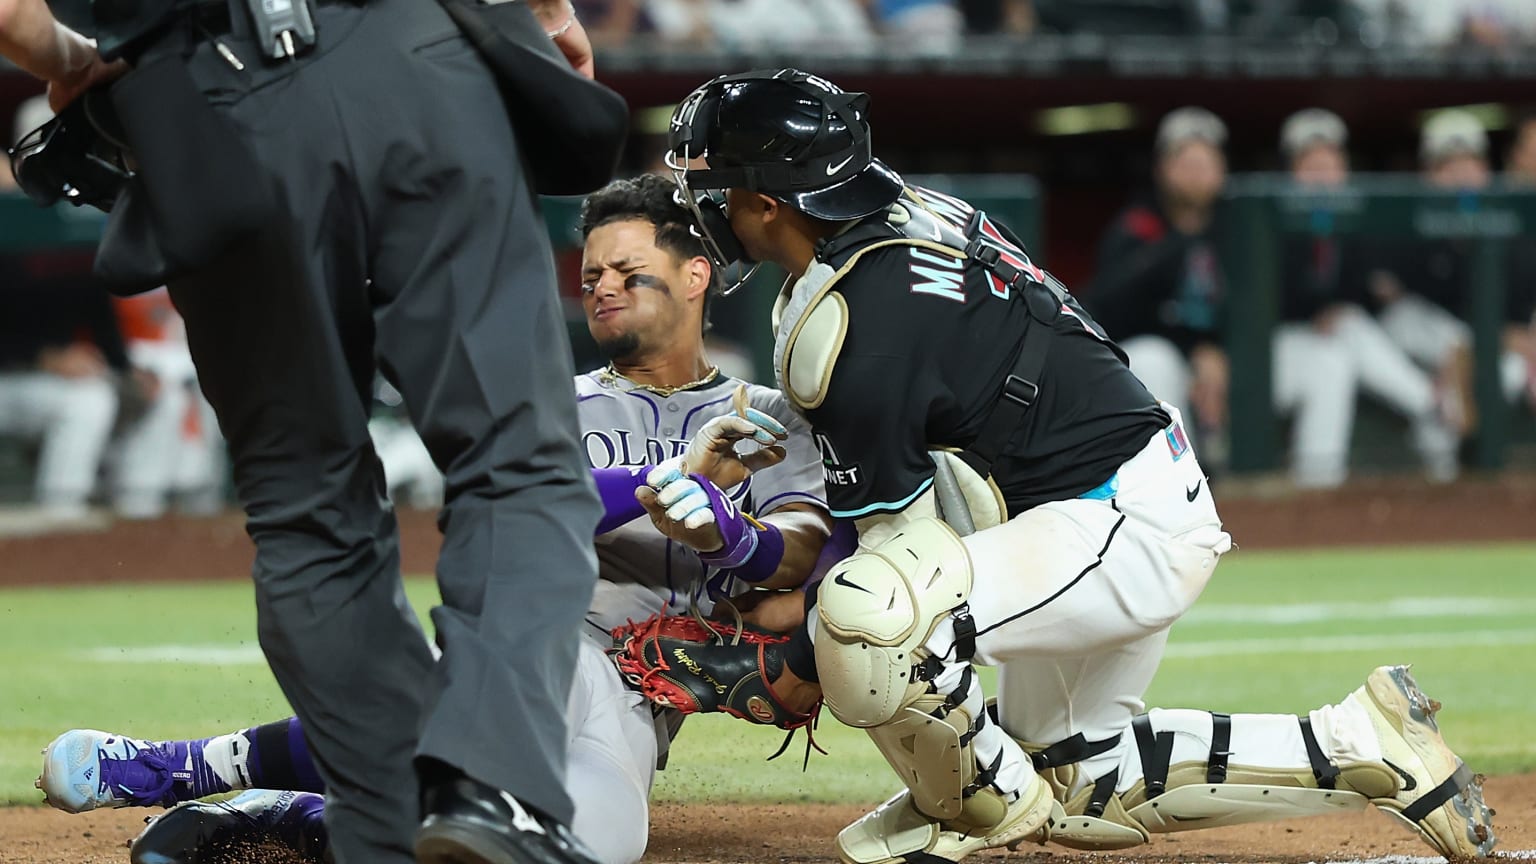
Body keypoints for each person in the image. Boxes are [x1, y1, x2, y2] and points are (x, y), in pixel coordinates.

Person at [613, 68, 1496, 864]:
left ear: (773, 201)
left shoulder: (852, 318)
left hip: (1110, 516)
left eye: (717, 189)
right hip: (1111, 491)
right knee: (1085, 776)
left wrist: (788, 669)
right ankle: (1366, 745)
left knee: (870, 622)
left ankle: (985, 816)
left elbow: (891, 562)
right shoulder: (905, 216)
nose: (703, 210)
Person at [36, 174, 842, 864]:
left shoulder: (767, 414)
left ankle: (297, 821)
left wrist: (730, 535)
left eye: (628, 272)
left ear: (696, 275)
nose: (601, 286)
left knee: (598, 842)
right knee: (454, 714)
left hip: (641, 701)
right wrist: (671, 479)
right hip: (540, 645)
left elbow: (799, 550)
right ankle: (188, 767)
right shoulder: (552, 399)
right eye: (592, 272)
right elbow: (509, 509)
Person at [0, 0, 625, 859]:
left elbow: (20, 19)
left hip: (201, 105)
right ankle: (492, 790)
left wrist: (90, 53)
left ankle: (390, 831)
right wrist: (547, 14)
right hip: (413, 60)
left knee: (307, 513)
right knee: (517, 465)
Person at [1088, 107, 1355, 487]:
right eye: (1186, 160)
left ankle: (1317, 492)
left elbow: (1284, 302)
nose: (1197, 171)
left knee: (1326, 360)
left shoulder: (1247, 223)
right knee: (1150, 359)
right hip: (1175, 370)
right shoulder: (1137, 227)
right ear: (1163, 167)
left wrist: (1230, 352)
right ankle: (1186, 493)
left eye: (1207, 160)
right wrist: (1196, 350)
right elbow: (1106, 311)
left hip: (1240, 364)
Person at [1275, 108, 1463, 481]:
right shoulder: (1268, 219)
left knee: (1344, 339)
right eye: (1311, 165)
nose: (1322, 176)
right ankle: (1430, 402)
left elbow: (1372, 291)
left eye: (1330, 164)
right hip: (1273, 348)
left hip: (1332, 343)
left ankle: (1321, 481)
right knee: (1339, 344)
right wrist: (1316, 313)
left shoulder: (1356, 221)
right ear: (1291, 171)